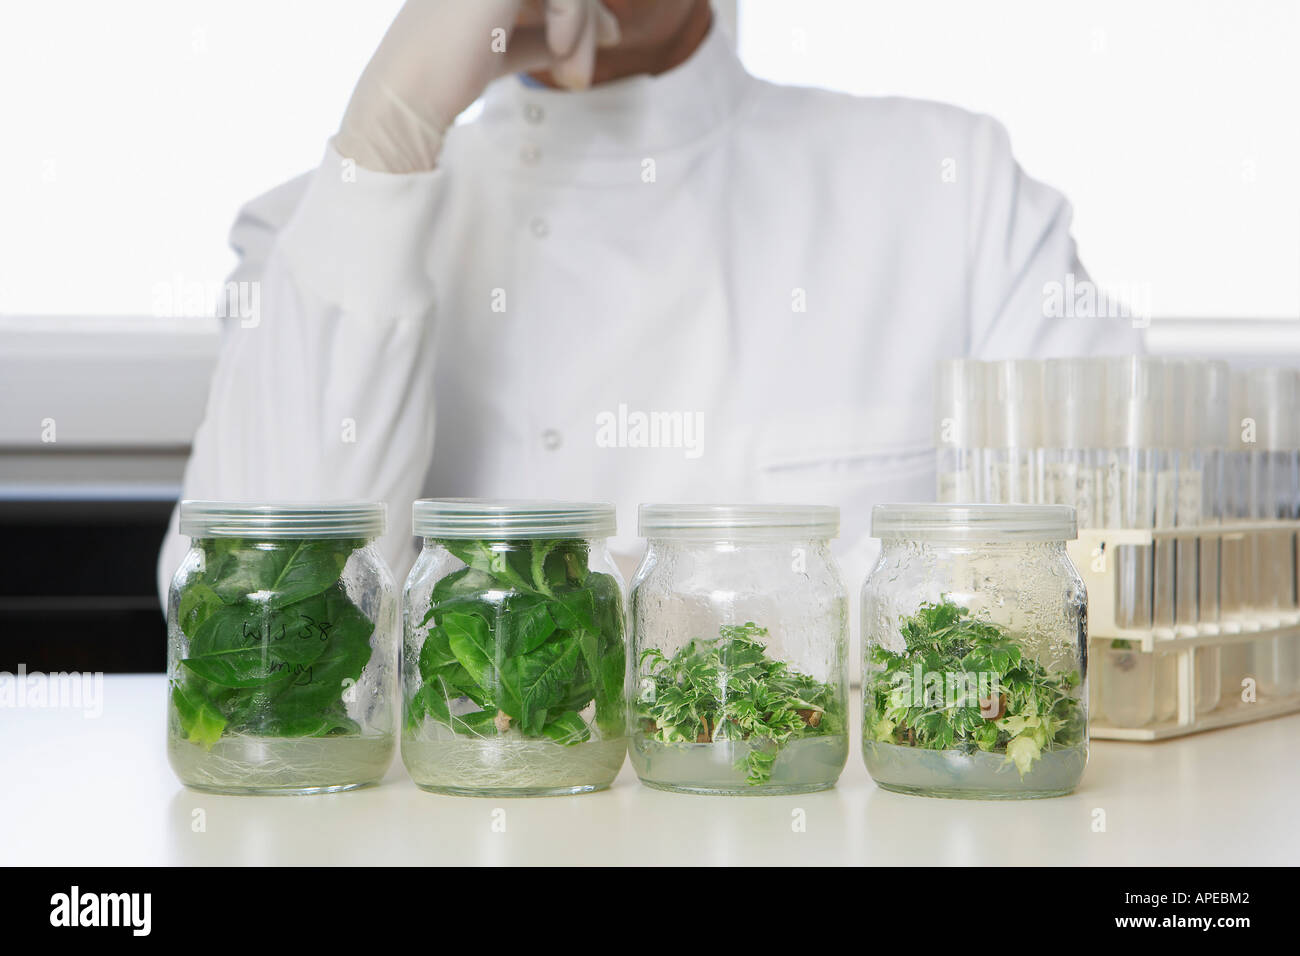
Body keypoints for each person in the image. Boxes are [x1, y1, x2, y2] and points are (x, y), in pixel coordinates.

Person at [158, 0, 1140, 610]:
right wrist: (392, 116)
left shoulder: (947, 188)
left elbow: (1129, 564)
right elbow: (246, 636)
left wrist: (686, 606)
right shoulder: (330, 227)